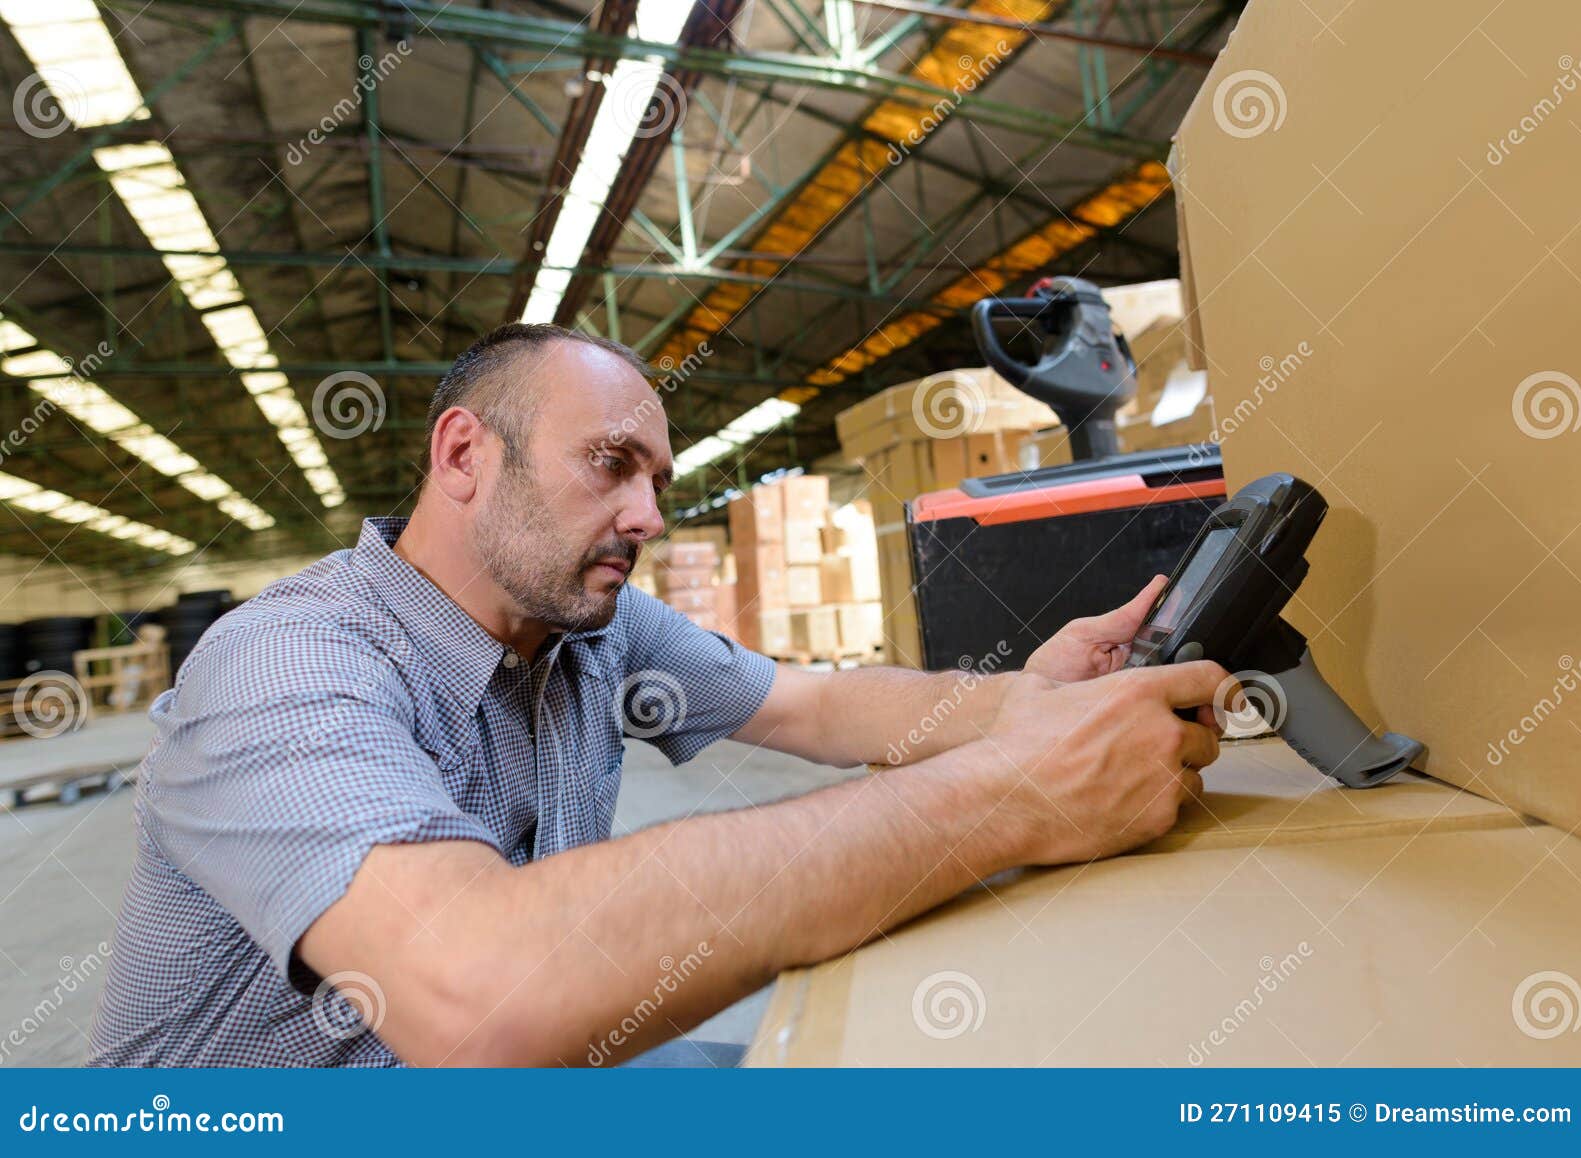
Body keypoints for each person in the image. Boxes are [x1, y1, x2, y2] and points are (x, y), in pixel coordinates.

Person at [88, 323, 1227, 1067]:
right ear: (462, 456)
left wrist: (1030, 702)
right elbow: (477, 988)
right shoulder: (288, 664)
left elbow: (816, 708)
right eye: (611, 464)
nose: (647, 516)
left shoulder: (592, 627)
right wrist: (1006, 794)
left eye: (658, 481)